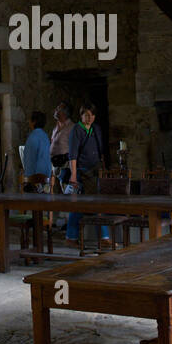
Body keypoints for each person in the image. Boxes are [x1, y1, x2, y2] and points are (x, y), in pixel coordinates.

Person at [66, 102, 110, 247]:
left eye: (92, 115)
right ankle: (101, 237)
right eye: (86, 115)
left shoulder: (96, 129)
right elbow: (73, 154)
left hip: (96, 171)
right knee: (81, 204)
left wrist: (103, 168)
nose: (89, 118)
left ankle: (73, 237)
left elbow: (100, 150)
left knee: (94, 203)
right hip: (82, 172)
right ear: (81, 115)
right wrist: (73, 175)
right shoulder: (76, 130)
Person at [48, 102, 75, 226]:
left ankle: (67, 221)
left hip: (65, 163)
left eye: (58, 109)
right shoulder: (56, 127)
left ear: (64, 113)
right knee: (54, 194)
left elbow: (74, 147)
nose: (55, 110)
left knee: (67, 192)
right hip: (54, 164)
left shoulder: (72, 127)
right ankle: (53, 220)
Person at [23, 111, 52, 179]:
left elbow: (29, 159)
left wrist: (28, 177)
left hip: (35, 176)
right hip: (46, 174)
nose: (28, 121)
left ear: (34, 121)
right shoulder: (45, 136)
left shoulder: (32, 137)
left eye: (30, 119)